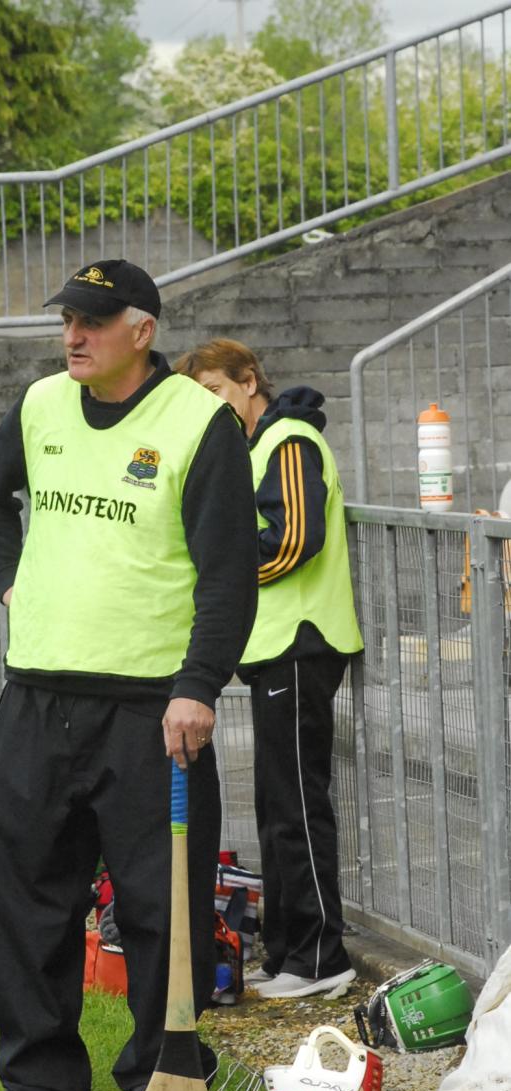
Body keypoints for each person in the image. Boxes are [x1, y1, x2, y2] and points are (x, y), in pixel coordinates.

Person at [0, 261, 258, 1091]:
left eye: (92, 321)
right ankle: (40, 1085)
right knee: (23, 897)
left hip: (148, 711)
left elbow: (229, 575)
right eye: (67, 320)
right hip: (37, 697)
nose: (72, 335)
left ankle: (160, 1077)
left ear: (142, 331)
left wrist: (197, 686)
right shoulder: (42, 404)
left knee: (156, 906)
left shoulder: (197, 423)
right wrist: (9, 579)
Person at [174, 339, 363, 1000]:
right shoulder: (256, 445)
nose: (211, 409)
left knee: (295, 805)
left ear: (248, 380)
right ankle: (289, 953)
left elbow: (292, 538)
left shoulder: (285, 438)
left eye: (216, 393)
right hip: (276, 646)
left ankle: (319, 957)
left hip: (298, 643)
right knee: (277, 803)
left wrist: (220, 573)